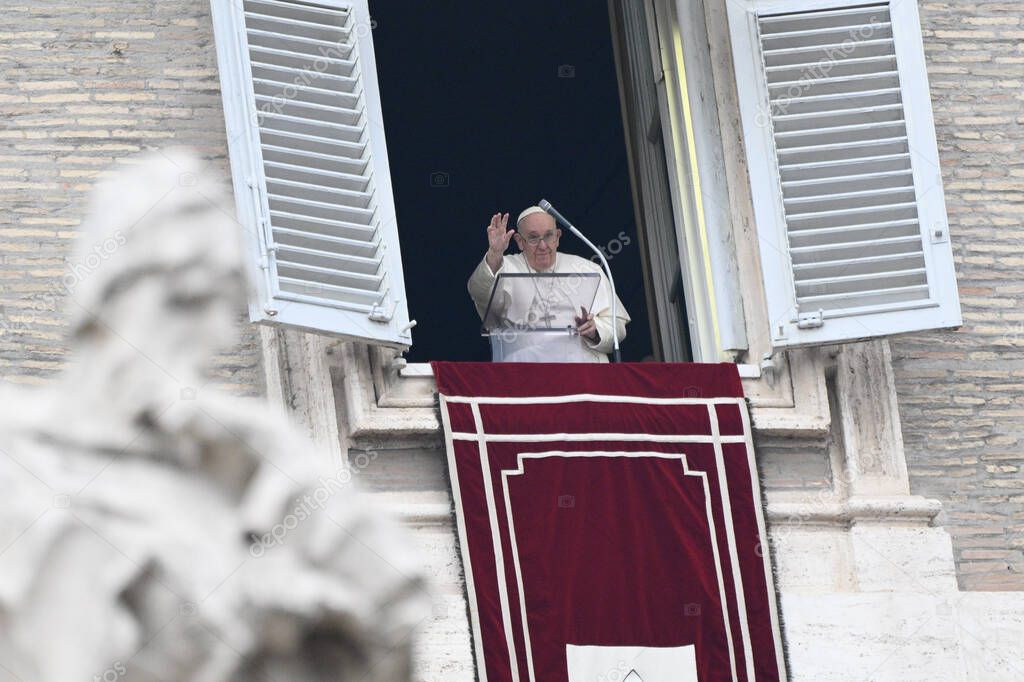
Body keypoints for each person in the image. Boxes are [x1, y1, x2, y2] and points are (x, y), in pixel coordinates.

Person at [468, 206, 629, 362]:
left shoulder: (586, 268)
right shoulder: (504, 267)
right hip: (522, 378)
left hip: (582, 377)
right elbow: (478, 291)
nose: (542, 246)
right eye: (533, 238)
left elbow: (617, 327)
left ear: (558, 237)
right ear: (519, 241)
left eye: (548, 236)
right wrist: (495, 254)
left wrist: (595, 330)